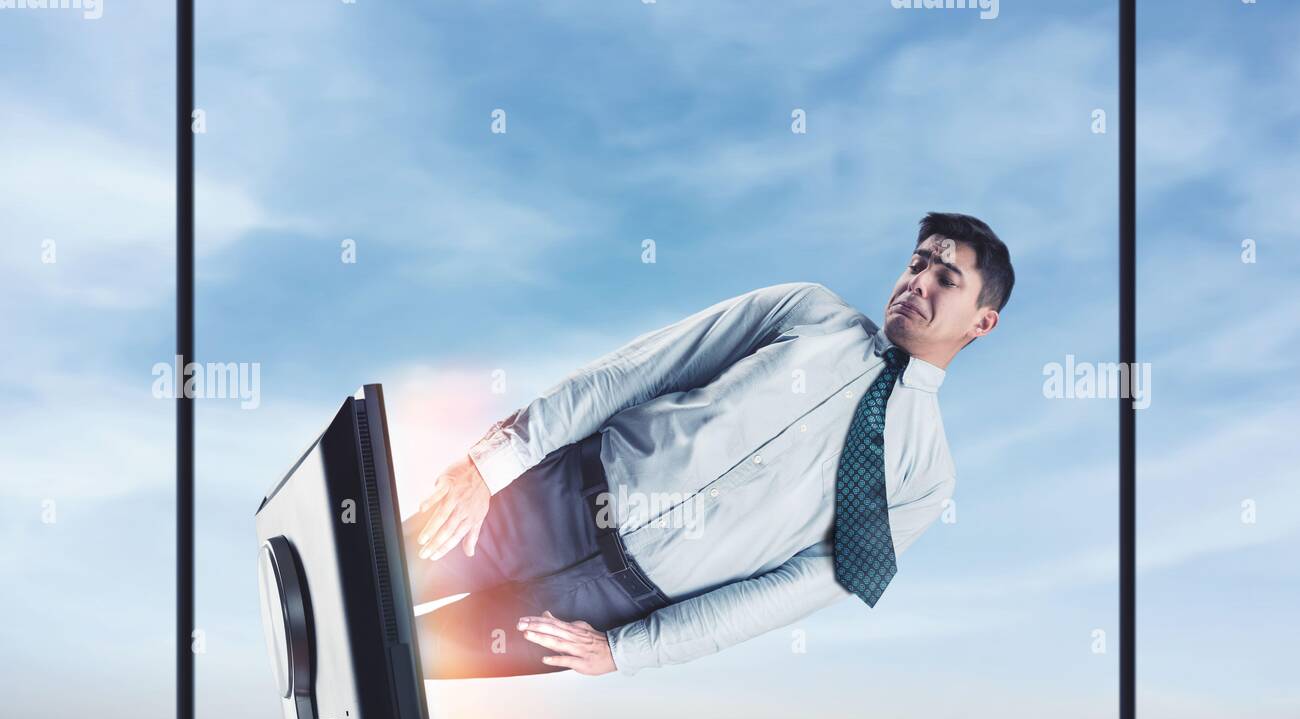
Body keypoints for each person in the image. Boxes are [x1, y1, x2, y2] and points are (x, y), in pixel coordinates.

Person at [403, 212, 1013, 678]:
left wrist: (629, 651)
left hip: (611, 603)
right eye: (915, 265)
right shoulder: (809, 310)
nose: (916, 283)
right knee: (360, 577)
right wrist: (489, 465)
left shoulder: (925, 479)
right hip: (555, 499)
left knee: (405, 669)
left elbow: (792, 591)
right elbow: (639, 370)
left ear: (982, 321)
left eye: (944, 278)